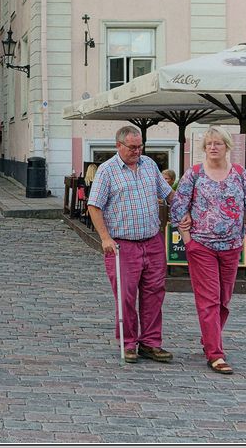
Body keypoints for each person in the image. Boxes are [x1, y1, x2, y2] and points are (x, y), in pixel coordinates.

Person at [170, 127, 246, 375]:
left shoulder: (239, 174)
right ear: (204, 148)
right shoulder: (194, 174)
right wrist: (187, 240)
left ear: (227, 147)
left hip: (232, 245)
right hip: (201, 245)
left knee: (224, 300)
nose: (213, 147)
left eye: (218, 144)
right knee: (209, 300)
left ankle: (209, 337)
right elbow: (178, 206)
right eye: (209, 144)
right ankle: (215, 354)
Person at [86, 125, 175, 365]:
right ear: (119, 146)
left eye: (140, 146)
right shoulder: (107, 170)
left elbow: (168, 195)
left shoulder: (149, 165)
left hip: (152, 240)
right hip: (123, 245)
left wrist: (188, 208)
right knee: (126, 296)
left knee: (154, 293)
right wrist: (105, 237)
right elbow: (94, 206)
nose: (137, 151)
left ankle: (151, 343)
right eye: (132, 147)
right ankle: (128, 343)